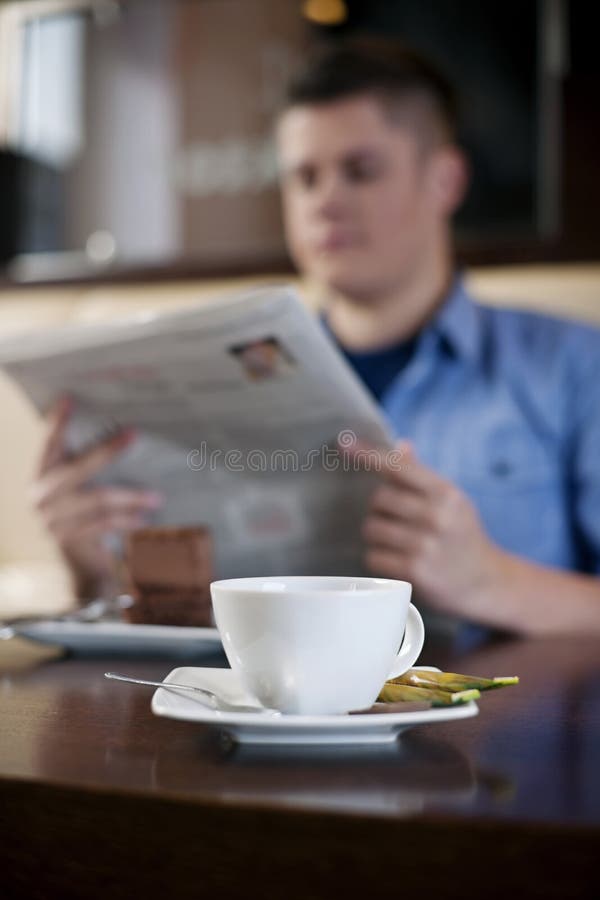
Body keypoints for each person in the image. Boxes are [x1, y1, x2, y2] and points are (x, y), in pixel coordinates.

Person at [30, 39, 600, 635]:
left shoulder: (573, 367)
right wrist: (95, 576)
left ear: (445, 180)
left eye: (361, 170)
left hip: (499, 721)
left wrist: (491, 582)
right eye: (304, 177)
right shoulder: (231, 377)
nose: (325, 202)